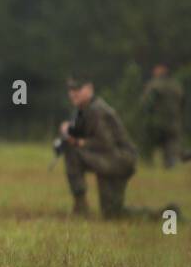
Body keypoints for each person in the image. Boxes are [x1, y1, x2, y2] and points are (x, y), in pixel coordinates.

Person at [59, 76, 140, 219]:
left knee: (72, 151)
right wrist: (69, 133)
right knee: (113, 214)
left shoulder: (97, 110)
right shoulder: (84, 110)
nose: (73, 93)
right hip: (113, 159)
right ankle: (164, 213)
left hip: (118, 159)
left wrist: (77, 142)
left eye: (77, 89)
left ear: (90, 89)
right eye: (70, 89)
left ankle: (81, 206)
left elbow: (105, 144)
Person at [140, 62, 185, 168]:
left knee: (148, 142)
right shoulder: (176, 85)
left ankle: (148, 164)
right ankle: (170, 165)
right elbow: (182, 102)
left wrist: (147, 117)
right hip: (174, 121)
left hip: (157, 122)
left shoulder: (154, 85)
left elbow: (146, 103)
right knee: (170, 145)